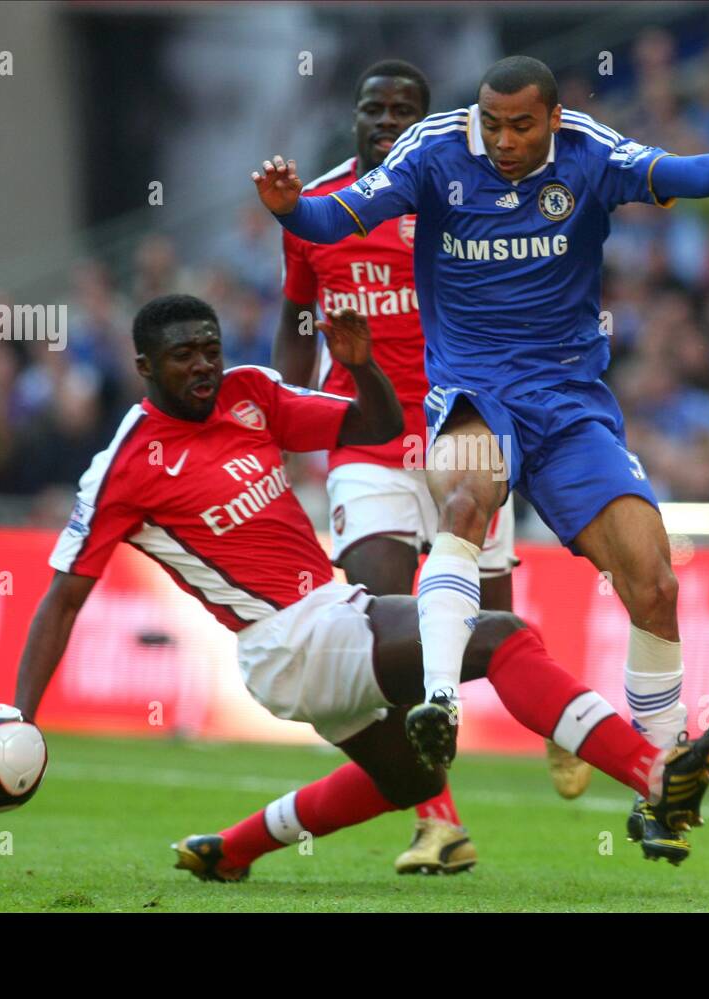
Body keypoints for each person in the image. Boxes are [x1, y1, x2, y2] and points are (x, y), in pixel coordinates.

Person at [252, 55, 709, 856]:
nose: (501, 141)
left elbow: (672, 173)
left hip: (571, 405)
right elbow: (339, 219)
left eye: (519, 126)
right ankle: (438, 701)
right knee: (468, 499)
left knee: (652, 579)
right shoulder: (435, 150)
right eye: (491, 123)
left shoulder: (589, 153)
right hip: (473, 391)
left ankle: (661, 781)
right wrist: (291, 210)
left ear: (550, 118)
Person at [12, 294, 709, 877]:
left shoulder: (250, 394)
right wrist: (22, 719)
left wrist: (361, 366)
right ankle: (655, 774)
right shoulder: (126, 462)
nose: (203, 367)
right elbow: (62, 597)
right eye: (183, 358)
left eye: (211, 349)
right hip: (285, 637)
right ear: (144, 365)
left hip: (323, 624)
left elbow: (376, 422)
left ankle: (229, 849)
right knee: (505, 637)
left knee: (407, 777)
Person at [273, 58, 588, 876]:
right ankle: (437, 821)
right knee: (385, 625)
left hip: (467, 431)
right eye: (372, 107)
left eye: (403, 109)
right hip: (366, 438)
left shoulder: (465, 192)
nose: (385, 119)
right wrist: (279, 410)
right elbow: (295, 318)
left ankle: (560, 717)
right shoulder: (320, 210)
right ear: (353, 115)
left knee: (492, 630)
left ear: (427, 121)